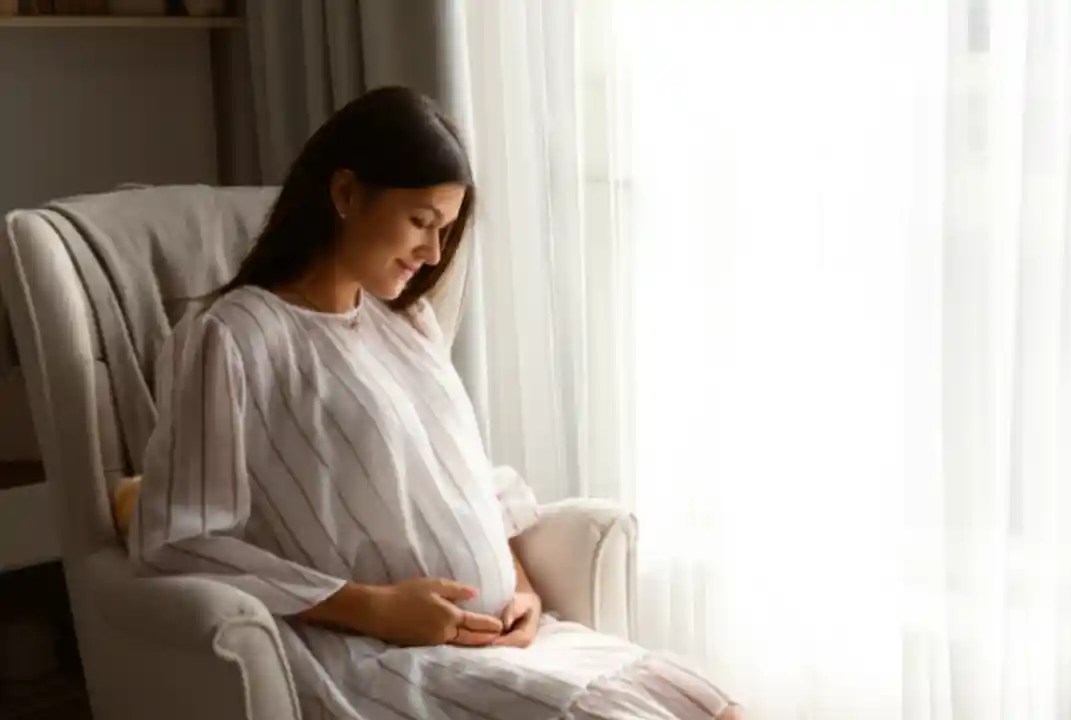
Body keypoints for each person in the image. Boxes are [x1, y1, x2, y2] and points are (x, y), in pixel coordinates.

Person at [126, 86, 742, 720]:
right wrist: (374, 606)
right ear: (345, 195)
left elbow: (462, 480)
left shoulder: (406, 322)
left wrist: (523, 590)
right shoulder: (233, 337)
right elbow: (179, 538)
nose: (433, 254)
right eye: (421, 221)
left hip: (512, 640)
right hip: (383, 653)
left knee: (719, 709)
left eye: (445, 230)